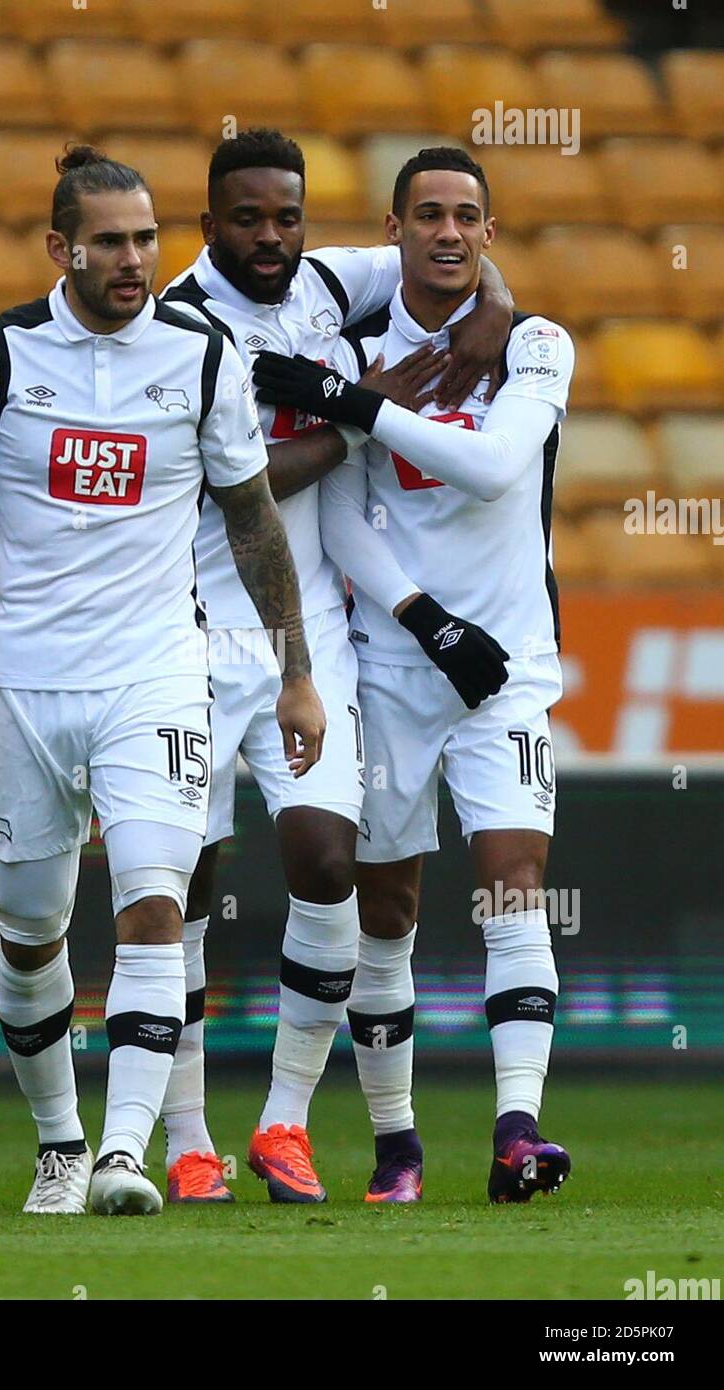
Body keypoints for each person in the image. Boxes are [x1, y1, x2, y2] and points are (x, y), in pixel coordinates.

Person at [0, 146, 325, 1217]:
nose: (134, 261)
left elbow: (253, 516)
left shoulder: (201, 354)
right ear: (60, 247)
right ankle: (60, 1144)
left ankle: (127, 1152)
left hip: (156, 676)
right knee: (31, 933)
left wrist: (294, 672)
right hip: (27, 688)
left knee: (153, 906)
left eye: (146, 239)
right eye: (112, 241)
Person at [158, 129, 514, 1204]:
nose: (271, 238)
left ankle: (282, 1123)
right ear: (209, 221)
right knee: (182, 888)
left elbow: (443, 257)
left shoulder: (320, 279)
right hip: (180, 632)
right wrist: (363, 417)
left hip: (307, 637)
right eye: (248, 219)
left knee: (326, 861)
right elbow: (241, 484)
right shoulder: (175, 320)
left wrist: (494, 308)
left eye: (288, 217)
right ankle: (182, 1136)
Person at [252, 146, 575, 1205]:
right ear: (392, 232)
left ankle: (517, 1128)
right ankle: (396, 1142)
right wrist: (422, 618)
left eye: (465, 216)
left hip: (509, 670)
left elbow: (491, 465)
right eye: (426, 214)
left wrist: (358, 404)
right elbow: (340, 508)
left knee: (512, 880)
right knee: (385, 903)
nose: (446, 231)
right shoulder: (357, 343)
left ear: (489, 233)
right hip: (393, 660)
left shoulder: (531, 344)